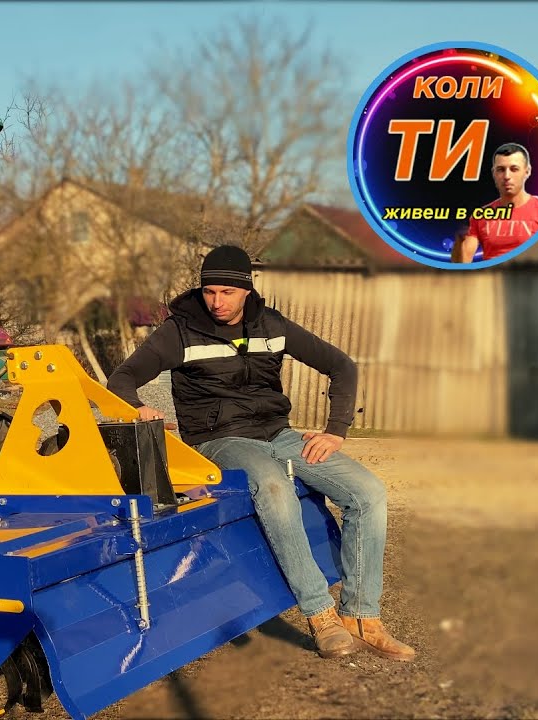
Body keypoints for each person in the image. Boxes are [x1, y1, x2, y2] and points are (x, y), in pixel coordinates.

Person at [107, 245, 415, 662]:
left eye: (227, 293)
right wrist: (138, 408)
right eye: (209, 291)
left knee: (368, 492)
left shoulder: (272, 325)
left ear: (247, 291)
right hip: (219, 439)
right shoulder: (179, 331)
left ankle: (362, 615)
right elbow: (122, 378)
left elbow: (342, 365)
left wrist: (335, 431)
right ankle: (320, 613)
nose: (216, 302)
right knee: (273, 488)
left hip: (278, 433)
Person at [456, 142, 538, 262]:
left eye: (514, 169)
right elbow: (464, 261)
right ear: (494, 173)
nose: (507, 176)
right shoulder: (480, 215)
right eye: (501, 170)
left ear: (527, 171)